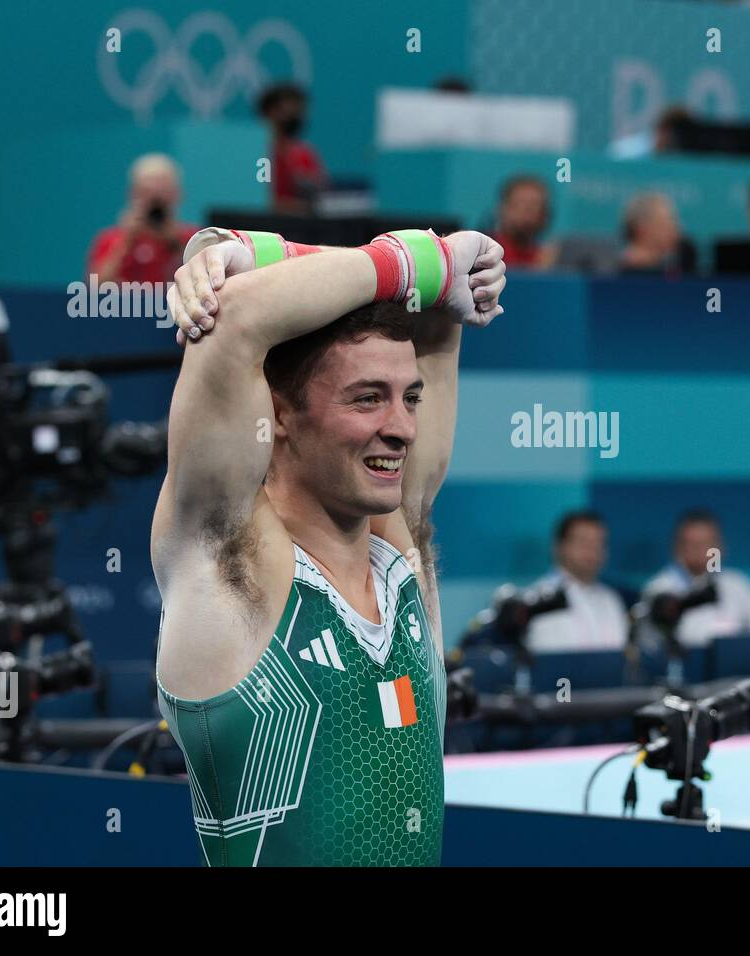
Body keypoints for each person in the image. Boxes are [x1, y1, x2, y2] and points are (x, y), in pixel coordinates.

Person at [152, 223, 506, 866]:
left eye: (409, 399)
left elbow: (437, 282)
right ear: (278, 414)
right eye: (367, 399)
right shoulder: (230, 562)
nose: (399, 429)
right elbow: (239, 318)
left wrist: (248, 252)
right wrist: (421, 263)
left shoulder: (401, 547)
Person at [642, 509, 750, 647]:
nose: (702, 551)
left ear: (721, 547)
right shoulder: (659, 590)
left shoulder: (735, 583)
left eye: (708, 543)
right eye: (693, 544)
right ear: (677, 548)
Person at [525, 510, 630, 652]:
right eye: (583, 541)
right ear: (559, 547)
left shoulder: (611, 599)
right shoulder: (538, 600)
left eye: (599, 542)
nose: (593, 550)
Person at [86, 154, 196, 285]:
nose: (154, 203)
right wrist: (126, 242)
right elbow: (94, 286)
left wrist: (175, 243)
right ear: (132, 194)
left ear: (177, 194)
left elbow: (201, 280)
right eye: (146, 193)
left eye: (163, 194)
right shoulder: (111, 239)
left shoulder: (193, 239)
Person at [257, 82, 328, 211]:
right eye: (290, 109)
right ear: (270, 112)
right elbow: (260, 199)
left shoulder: (305, 154)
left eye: (299, 110)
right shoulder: (260, 154)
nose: (296, 115)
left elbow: (322, 194)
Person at [619, 192, 696, 276]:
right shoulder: (611, 273)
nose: (677, 229)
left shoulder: (675, 271)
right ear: (642, 228)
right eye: (667, 222)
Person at [491, 175, 553, 269]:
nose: (526, 211)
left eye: (534, 205)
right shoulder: (483, 252)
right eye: (520, 203)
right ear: (502, 208)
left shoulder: (549, 259)